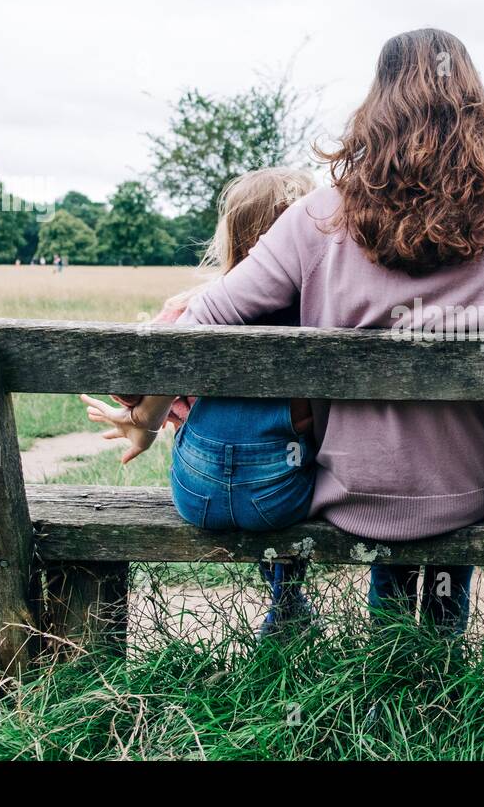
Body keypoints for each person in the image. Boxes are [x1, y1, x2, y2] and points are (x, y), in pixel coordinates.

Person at [96, 29, 484, 636]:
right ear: (475, 115)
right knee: (439, 547)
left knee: (389, 546)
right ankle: (439, 674)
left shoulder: (314, 220)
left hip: (349, 492)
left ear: (374, 111)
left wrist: (142, 413)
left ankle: (385, 671)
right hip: (466, 493)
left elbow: (202, 324)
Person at [80, 168, 320, 638]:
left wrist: (139, 420)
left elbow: (130, 385)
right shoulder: (319, 316)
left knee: (230, 449)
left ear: (230, 236)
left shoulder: (193, 309)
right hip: (282, 498)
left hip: (196, 495)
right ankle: (287, 596)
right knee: (295, 454)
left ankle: (284, 598)